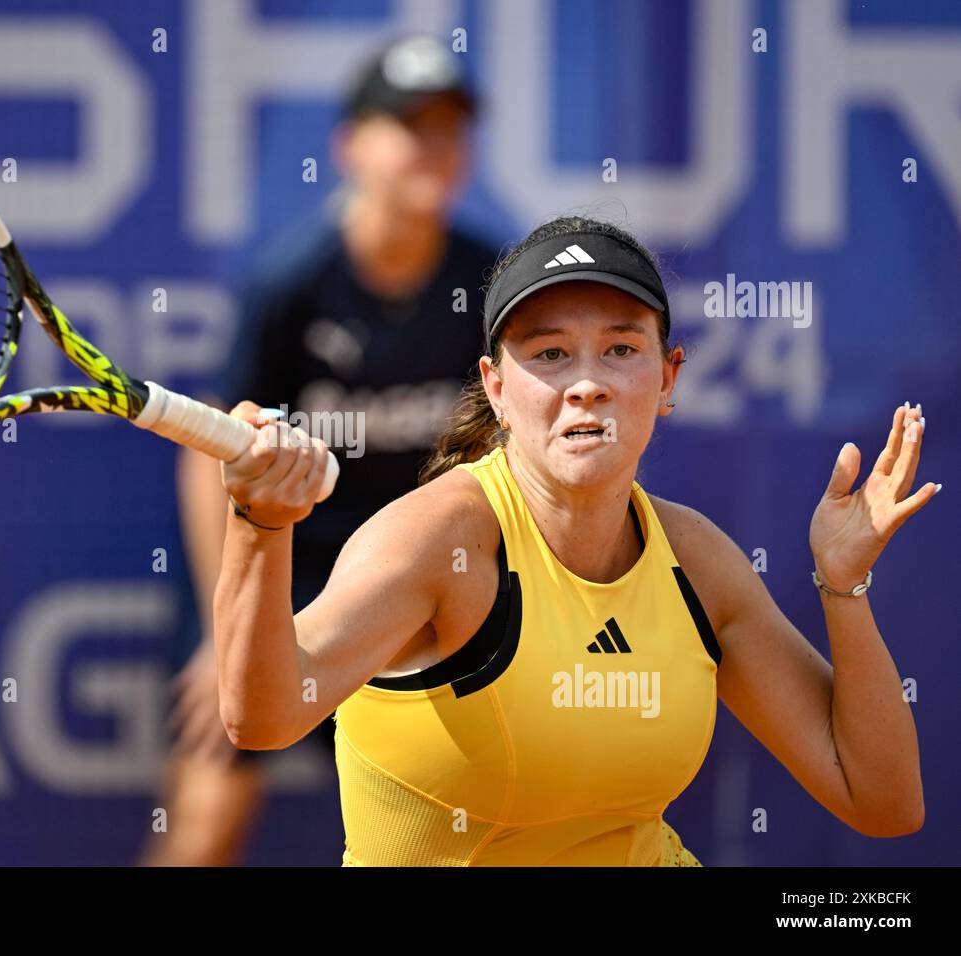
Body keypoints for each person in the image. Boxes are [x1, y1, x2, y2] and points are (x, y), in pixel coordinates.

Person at [211, 215, 931, 865]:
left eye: (620, 348)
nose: (587, 384)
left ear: (667, 377)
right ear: (495, 387)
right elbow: (262, 718)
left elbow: (883, 804)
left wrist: (844, 586)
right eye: (550, 355)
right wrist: (261, 526)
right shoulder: (436, 540)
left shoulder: (697, 559)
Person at [139, 34, 499, 866]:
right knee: (200, 833)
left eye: (451, 129)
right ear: (351, 148)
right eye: (411, 126)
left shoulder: (490, 283)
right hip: (282, 579)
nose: (434, 149)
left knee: (471, 834)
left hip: (419, 590)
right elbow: (209, 453)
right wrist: (223, 635)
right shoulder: (291, 286)